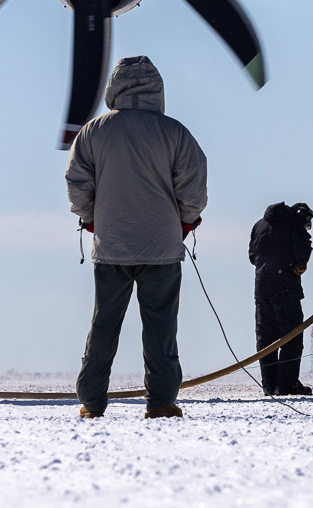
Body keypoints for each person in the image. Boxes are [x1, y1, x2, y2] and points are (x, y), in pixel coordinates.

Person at [65, 55, 208, 419]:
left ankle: (91, 401)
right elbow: (193, 187)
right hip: (161, 246)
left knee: (103, 324)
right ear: (157, 89)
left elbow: (77, 183)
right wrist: (186, 223)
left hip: (111, 246)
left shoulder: (93, 131)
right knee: (160, 329)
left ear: (114, 89)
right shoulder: (175, 132)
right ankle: (160, 401)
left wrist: (91, 219)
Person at [250, 201, 313, 395]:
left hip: (262, 288)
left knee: (266, 338)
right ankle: (287, 386)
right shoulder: (294, 223)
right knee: (291, 337)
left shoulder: (259, 225)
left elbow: (253, 256)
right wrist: (300, 265)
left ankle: (270, 386)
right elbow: (303, 247)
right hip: (285, 287)